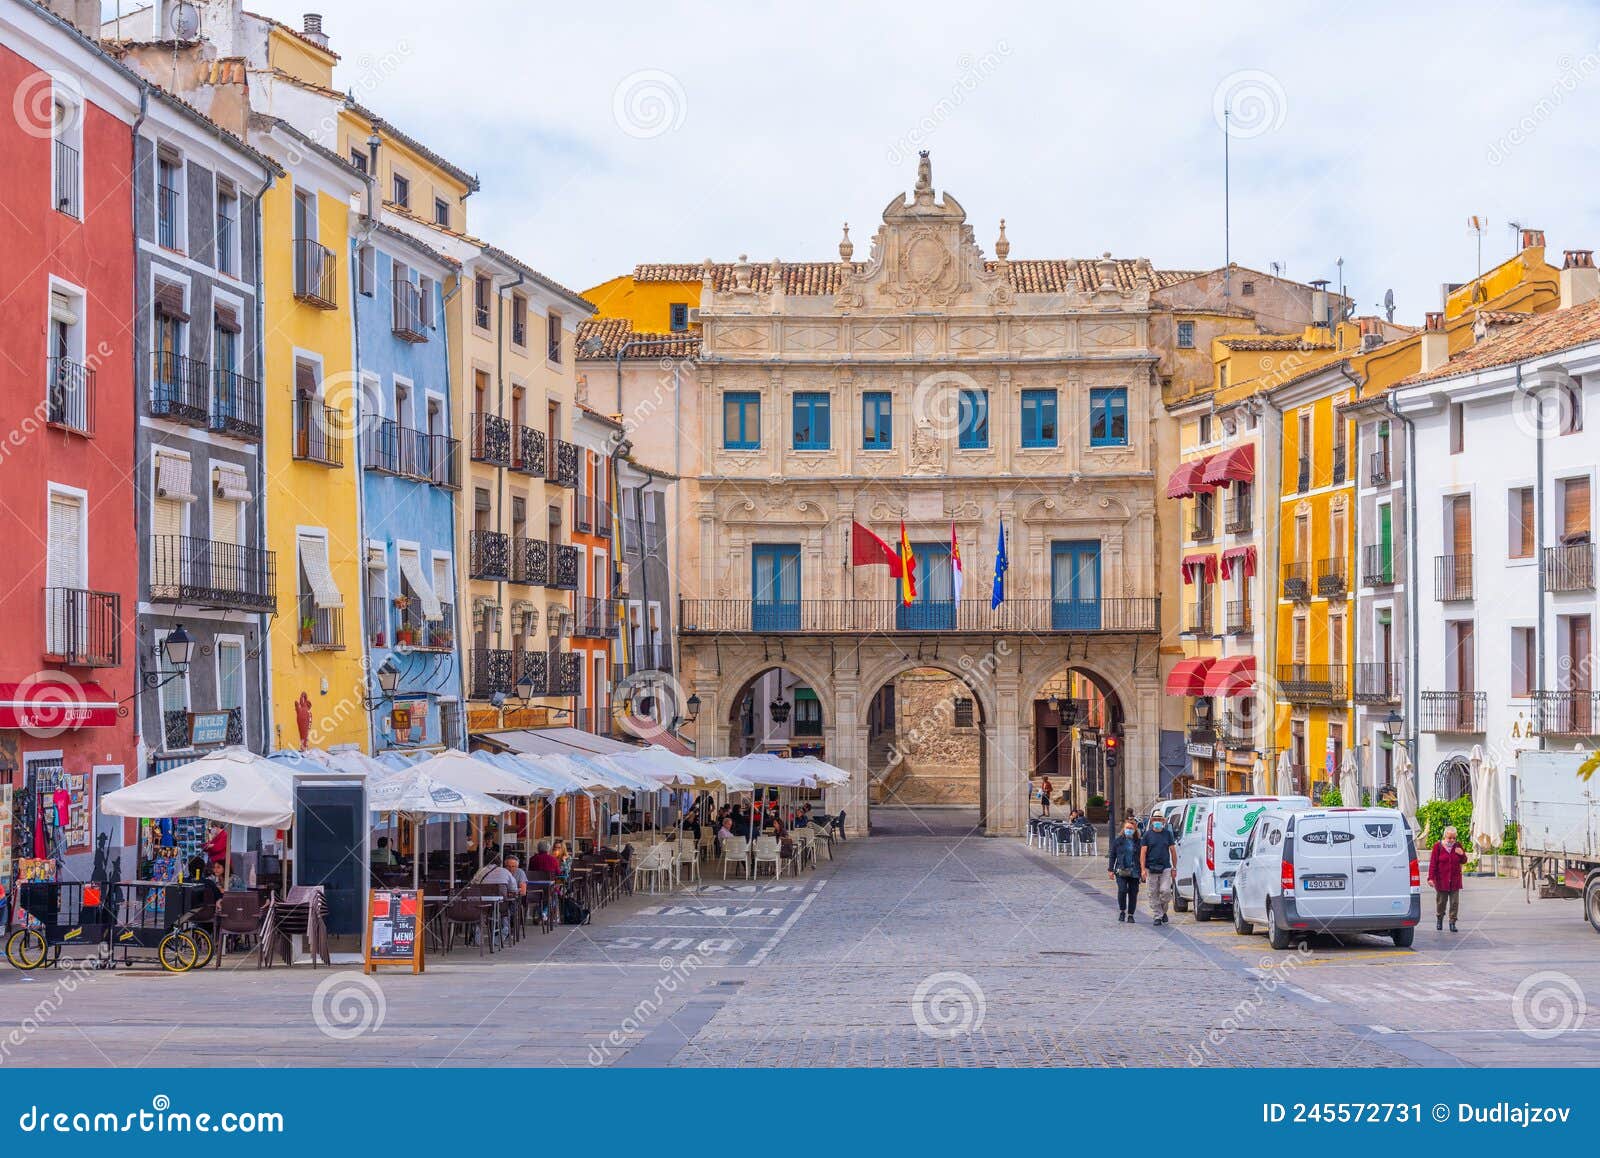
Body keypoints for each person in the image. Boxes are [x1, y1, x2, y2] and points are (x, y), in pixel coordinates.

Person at [1140, 809, 1179, 925]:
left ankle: (1163, 910)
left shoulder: (1167, 834)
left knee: (1165, 891)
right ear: (1152, 821)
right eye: (1155, 820)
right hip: (1150, 868)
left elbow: (1173, 851)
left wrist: (1174, 867)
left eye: (1159, 820)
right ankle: (1158, 915)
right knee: (1153, 893)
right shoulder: (1147, 835)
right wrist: (1142, 869)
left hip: (1165, 867)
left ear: (1163, 821)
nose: (1157, 822)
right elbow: (1143, 853)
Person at [1428, 825, 1469, 932]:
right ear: (1445, 836)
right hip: (1441, 880)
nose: (1452, 840)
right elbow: (1433, 863)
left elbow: (1464, 860)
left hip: (1455, 880)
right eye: (1449, 838)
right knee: (1441, 902)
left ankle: (1452, 922)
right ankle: (1439, 918)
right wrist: (1430, 878)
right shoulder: (1438, 847)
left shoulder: (1458, 846)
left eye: (1454, 838)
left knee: (1454, 903)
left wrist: (1462, 854)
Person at [1107, 816, 1143, 922]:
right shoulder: (1118, 841)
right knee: (1122, 890)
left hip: (1134, 871)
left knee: (1133, 892)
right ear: (1124, 829)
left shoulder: (1139, 842)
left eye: (1131, 828)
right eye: (1127, 828)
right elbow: (1112, 855)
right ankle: (1122, 910)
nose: (1129, 830)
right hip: (1121, 870)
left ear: (1135, 830)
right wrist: (1110, 869)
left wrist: (1144, 871)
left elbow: (1142, 857)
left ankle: (1131, 914)